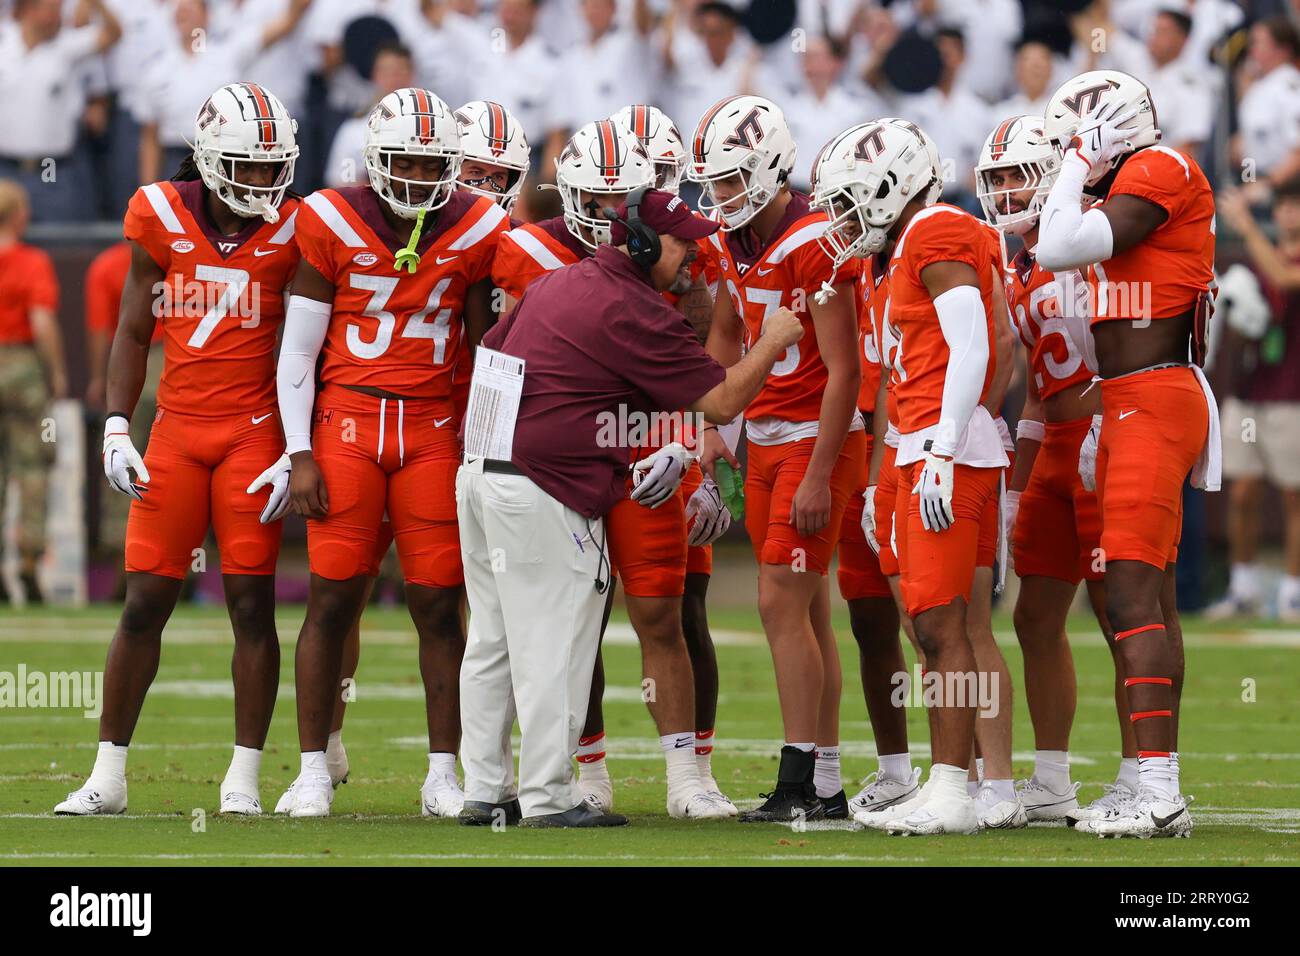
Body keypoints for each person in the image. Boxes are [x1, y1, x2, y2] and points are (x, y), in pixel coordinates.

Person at [456, 188, 805, 828]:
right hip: (542, 486)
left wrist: (492, 455)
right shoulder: (631, 305)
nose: (694, 254)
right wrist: (774, 338)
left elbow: (494, 357)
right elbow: (723, 402)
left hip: (483, 469)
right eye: (680, 242)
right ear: (641, 243)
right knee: (553, 645)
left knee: (493, 640)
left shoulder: (563, 282)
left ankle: (484, 788)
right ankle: (548, 797)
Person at [54, 83, 301, 816]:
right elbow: (134, 332)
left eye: (272, 167)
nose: (263, 182)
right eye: (248, 167)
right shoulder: (159, 214)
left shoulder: (297, 230)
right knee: (143, 603)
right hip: (180, 431)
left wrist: (297, 445)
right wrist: (116, 425)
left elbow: (311, 349)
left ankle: (244, 777)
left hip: (255, 435)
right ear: (211, 160)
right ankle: (108, 774)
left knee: (252, 605)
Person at [274, 87, 507, 818]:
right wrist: (299, 450)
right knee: (334, 597)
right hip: (348, 422)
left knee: (439, 606)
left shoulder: (475, 226)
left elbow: (483, 353)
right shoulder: (329, 217)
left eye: (431, 161)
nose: (416, 174)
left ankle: (443, 771)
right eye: (403, 158)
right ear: (375, 157)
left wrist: (484, 449)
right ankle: (314, 766)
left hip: (432, 431)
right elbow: (299, 352)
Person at [1037, 69, 1218, 838]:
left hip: (1155, 395)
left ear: (1116, 124)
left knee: (1132, 594)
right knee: (1148, 596)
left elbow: (1054, 246)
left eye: (1080, 132)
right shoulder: (1137, 182)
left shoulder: (1162, 166)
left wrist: (1083, 156)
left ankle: (1161, 788)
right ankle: (1147, 778)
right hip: (1131, 397)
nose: (1071, 156)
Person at [814, 117, 1007, 836]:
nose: (838, 218)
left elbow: (974, 346)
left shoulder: (936, 230)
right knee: (929, 627)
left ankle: (957, 790)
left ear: (888, 188)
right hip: (913, 442)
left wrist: (942, 448)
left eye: (845, 201)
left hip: (940, 444)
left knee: (940, 623)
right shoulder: (905, 247)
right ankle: (945, 778)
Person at [693, 94, 863, 823]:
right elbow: (728, 329)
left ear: (767, 170)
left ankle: (798, 779)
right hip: (763, 438)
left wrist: (822, 471)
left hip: (813, 441)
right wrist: (711, 432)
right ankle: (824, 781)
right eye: (715, 183)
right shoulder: (733, 243)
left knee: (777, 599)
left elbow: (846, 370)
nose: (720, 197)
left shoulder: (815, 239)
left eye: (731, 181)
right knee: (808, 609)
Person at [975, 115, 1135, 826]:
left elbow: (1142, 341)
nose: (1008, 191)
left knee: (1126, 613)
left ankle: (1145, 772)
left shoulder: (1095, 237)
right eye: (997, 179)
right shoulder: (1015, 263)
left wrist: (1117, 420)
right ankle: (1052, 779)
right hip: (1059, 441)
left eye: (1018, 175)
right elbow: (1039, 386)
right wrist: (1017, 487)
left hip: (1115, 433)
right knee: (1036, 616)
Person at [1211, 179, 1300, 620]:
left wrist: (1246, 226)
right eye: (1283, 205)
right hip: (1251, 390)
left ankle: (1292, 592)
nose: (1287, 213)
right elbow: (1249, 326)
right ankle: (1242, 586)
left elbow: (1286, 279)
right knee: (1242, 490)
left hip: (1292, 394)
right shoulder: (1256, 262)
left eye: (1295, 206)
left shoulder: (1267, 255)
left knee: (1292, 496)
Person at [0, 179, 66, 604]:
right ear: (19, 215)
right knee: (34, 468)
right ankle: (28, 559)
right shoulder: (32, 261)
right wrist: (55, 373)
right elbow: (42, 321)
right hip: (22, 367)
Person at [0, 0, 121, 222]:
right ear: (30, 10)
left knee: (56, 242)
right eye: (53, 10)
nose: (59, 17)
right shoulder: (4, 40)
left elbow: (114, 33)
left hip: (52, 169)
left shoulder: (67, 44)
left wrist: (94, 4)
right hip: (6, 168)